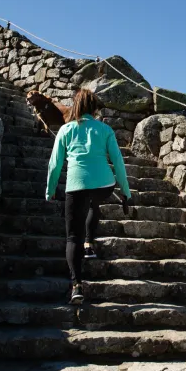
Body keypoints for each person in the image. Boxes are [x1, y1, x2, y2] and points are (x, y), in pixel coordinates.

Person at [46, 88, 132, 304]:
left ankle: (76, 285)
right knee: (93, 203)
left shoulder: (66, 130)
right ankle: (90, 243)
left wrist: (50, 189)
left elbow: (55, 163)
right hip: (104, 185)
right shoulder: (105, 129)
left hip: (76, 186)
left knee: (71, 236)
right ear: (94, 109)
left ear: (75, 107)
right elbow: (118, 163)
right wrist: (126, 192)